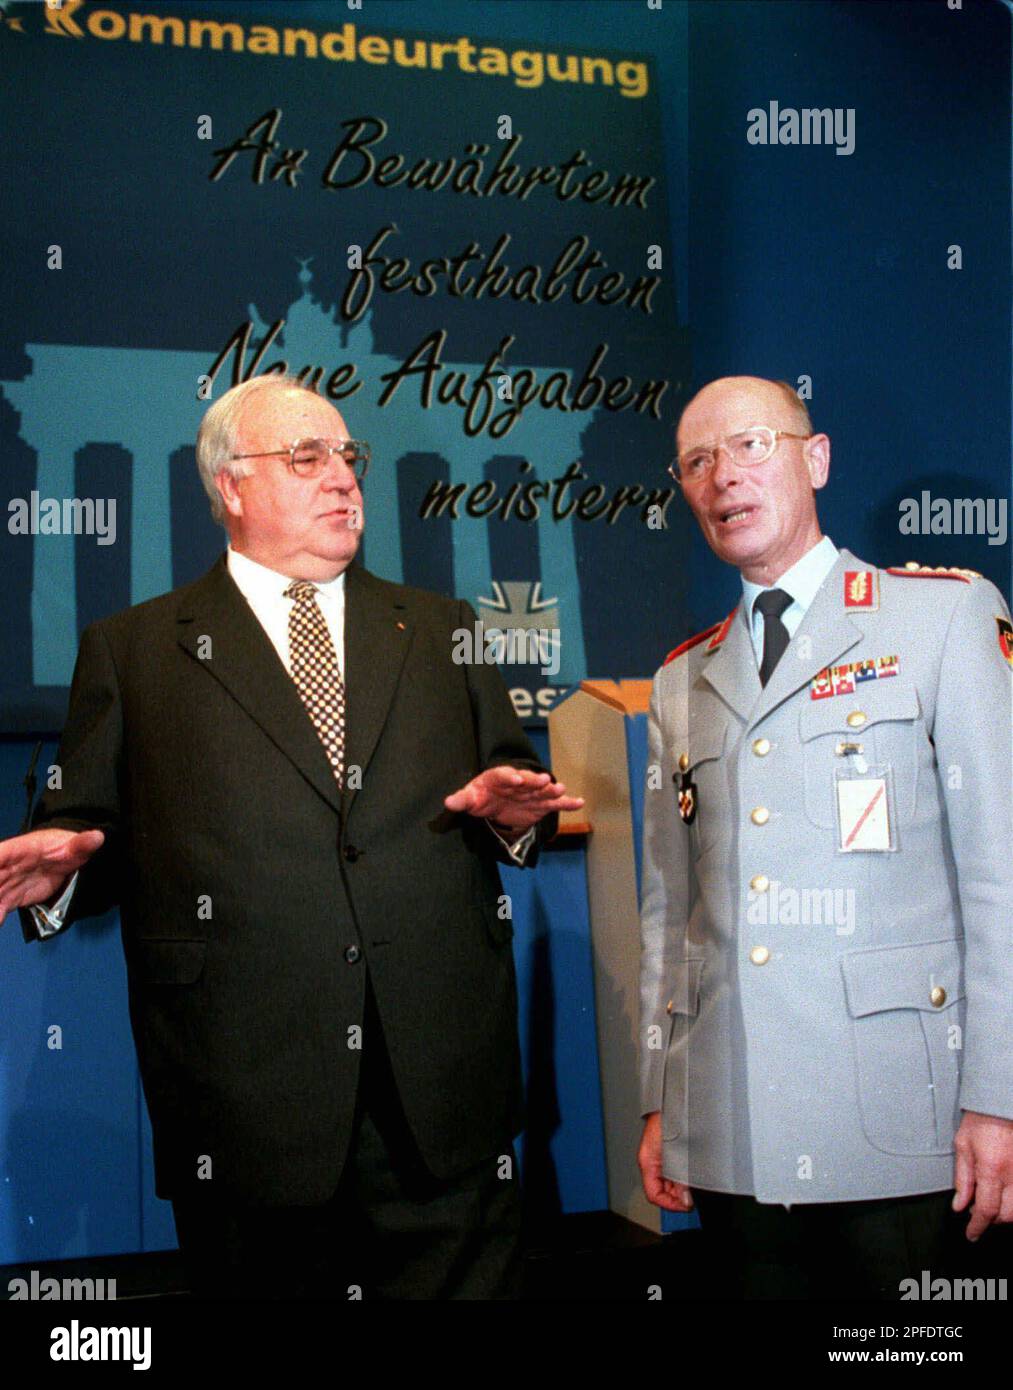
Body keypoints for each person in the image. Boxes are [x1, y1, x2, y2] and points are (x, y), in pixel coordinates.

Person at [0, 374, 582, 1300]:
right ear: (230, 485)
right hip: (243, 1098)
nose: (343, 480)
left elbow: (513, 801)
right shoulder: (135, 651)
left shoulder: (445, 630)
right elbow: (83, 829)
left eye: (349, 457)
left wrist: (519, 820)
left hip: (438, 1091)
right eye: (307, 458)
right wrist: (62, 867)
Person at [637, 375, 1013, 1299]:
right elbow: (667, 919)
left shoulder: (940, 616)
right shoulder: (681, 679)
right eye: (697, 461)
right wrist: (663, 1098)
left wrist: (998, 1099)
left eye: (751, 446)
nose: (723, 477)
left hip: (903, 1124)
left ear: (815, 459)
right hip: (736, 1130)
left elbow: (999, 875)